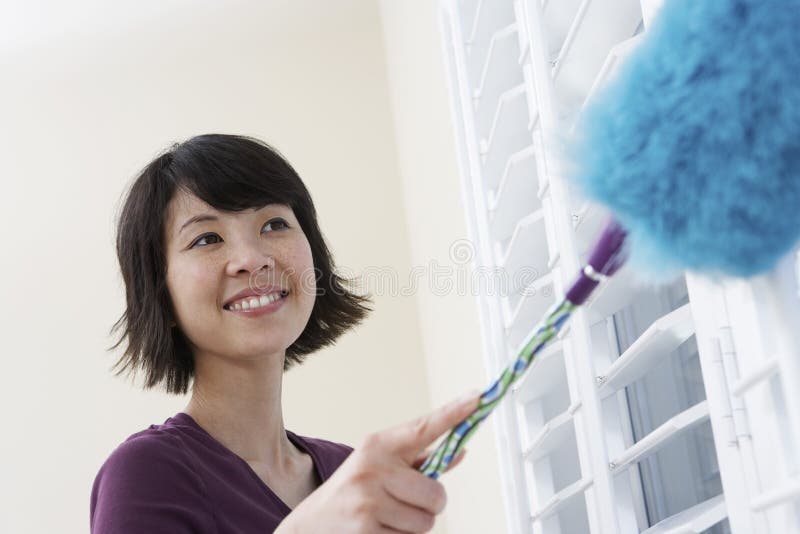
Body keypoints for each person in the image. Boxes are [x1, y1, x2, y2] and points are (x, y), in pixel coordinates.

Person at [90, 133, 477, 533]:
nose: (252, 259)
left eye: (274, 224)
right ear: (160, 294)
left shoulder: (348, 475)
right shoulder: (146, 475)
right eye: (207, 238)